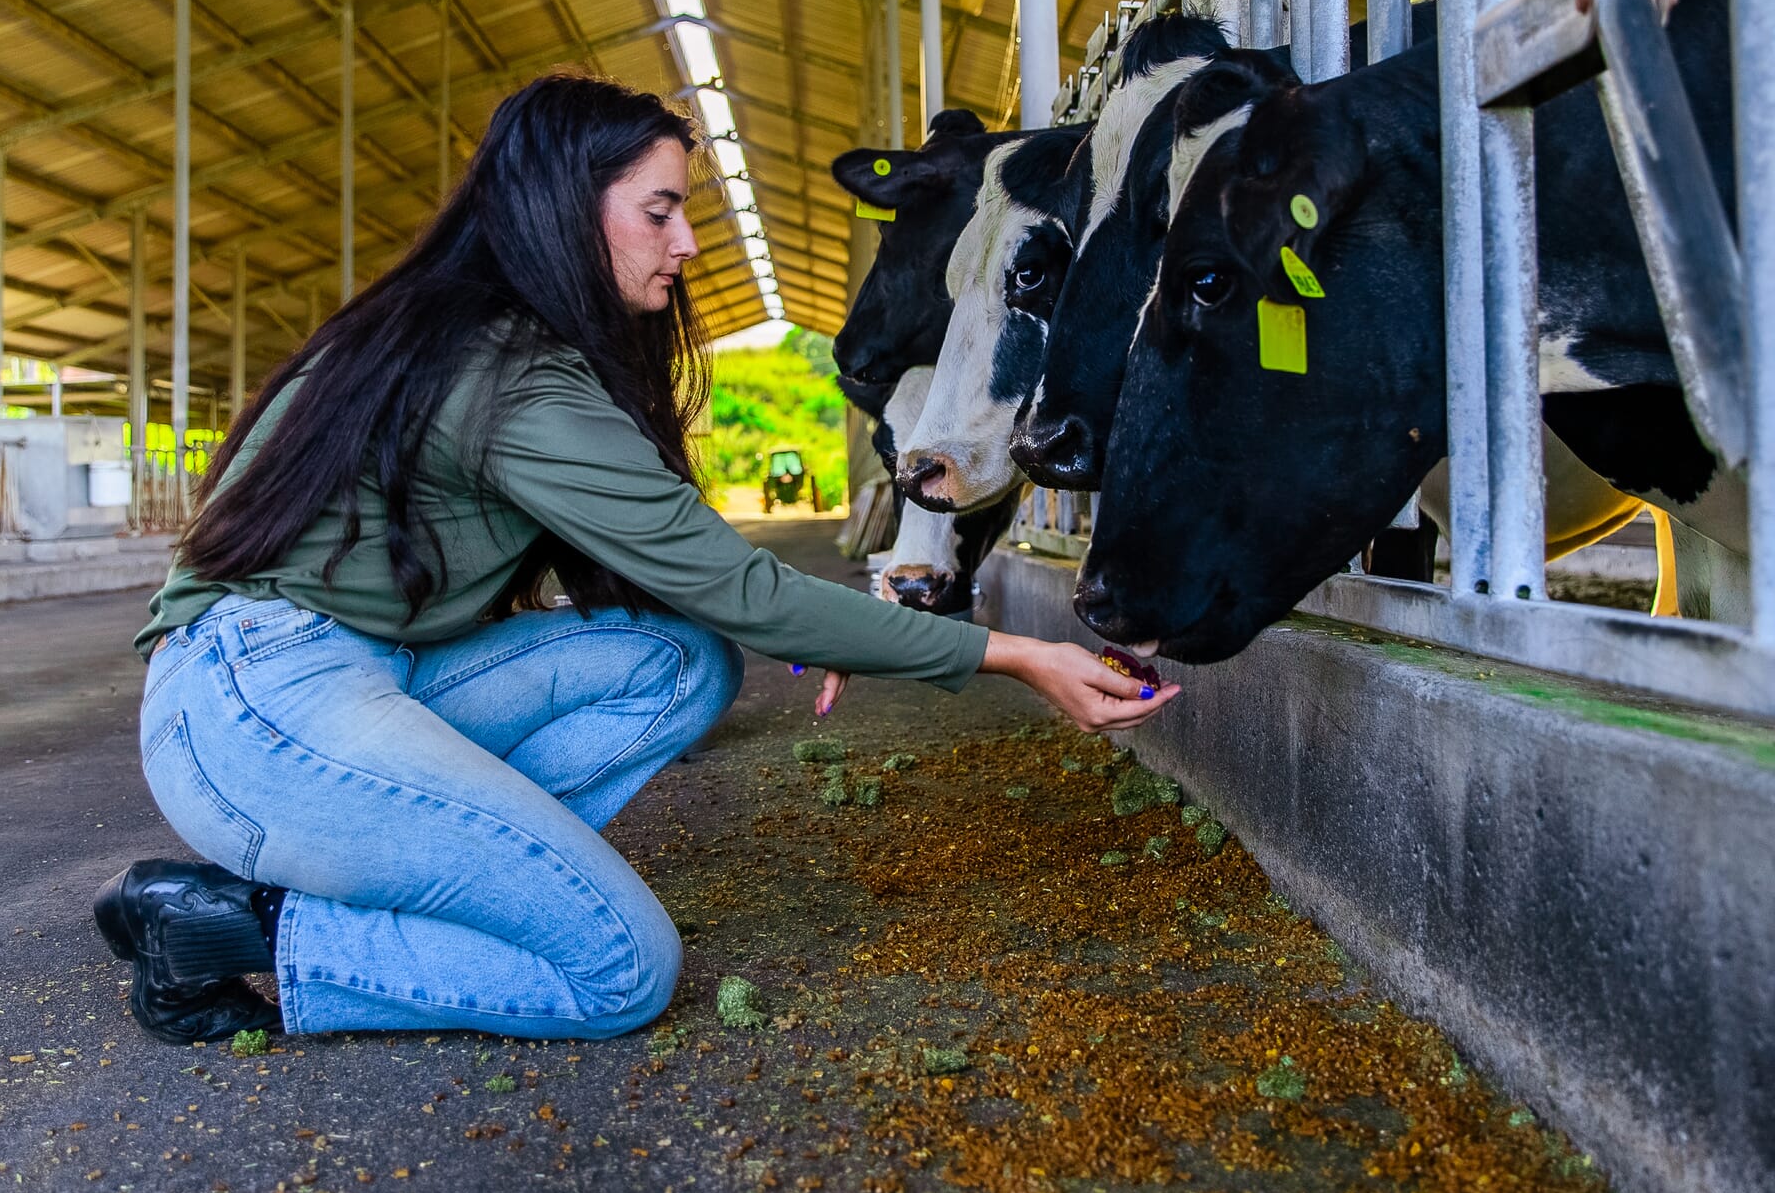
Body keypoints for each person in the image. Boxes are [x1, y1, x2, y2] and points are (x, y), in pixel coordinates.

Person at [95, 74, 1181, 1045]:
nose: (688, 244)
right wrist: (1016, 654)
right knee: (618, 970)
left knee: (680, 659)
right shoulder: (505, 375)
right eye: (659, 211)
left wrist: (824, 631)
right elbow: (742, 585)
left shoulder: (475, 334)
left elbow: (705, 590)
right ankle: (241, 929)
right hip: (253, 710)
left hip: (359, 672)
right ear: (566, 211)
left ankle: (466, 869)